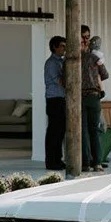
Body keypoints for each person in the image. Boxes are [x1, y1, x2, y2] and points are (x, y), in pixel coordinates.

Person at [80, 35, 109, 172]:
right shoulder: (95, 58)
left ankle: (85, 162)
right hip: (94, 96)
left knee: (83, 131)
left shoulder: (71, 60)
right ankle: (97, 162)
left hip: (79, 98)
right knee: (94, 131)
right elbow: (105, 75)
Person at [43, 36, 67, 171]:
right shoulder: (52, 63)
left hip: (61, 98)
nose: (64, 49)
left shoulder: (61, 62)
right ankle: (51, 161)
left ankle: (58, 159)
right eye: (62, 46)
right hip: (54, 99)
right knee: (54, 131)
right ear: (55, 47)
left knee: (60, 131)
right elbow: (60, 81)